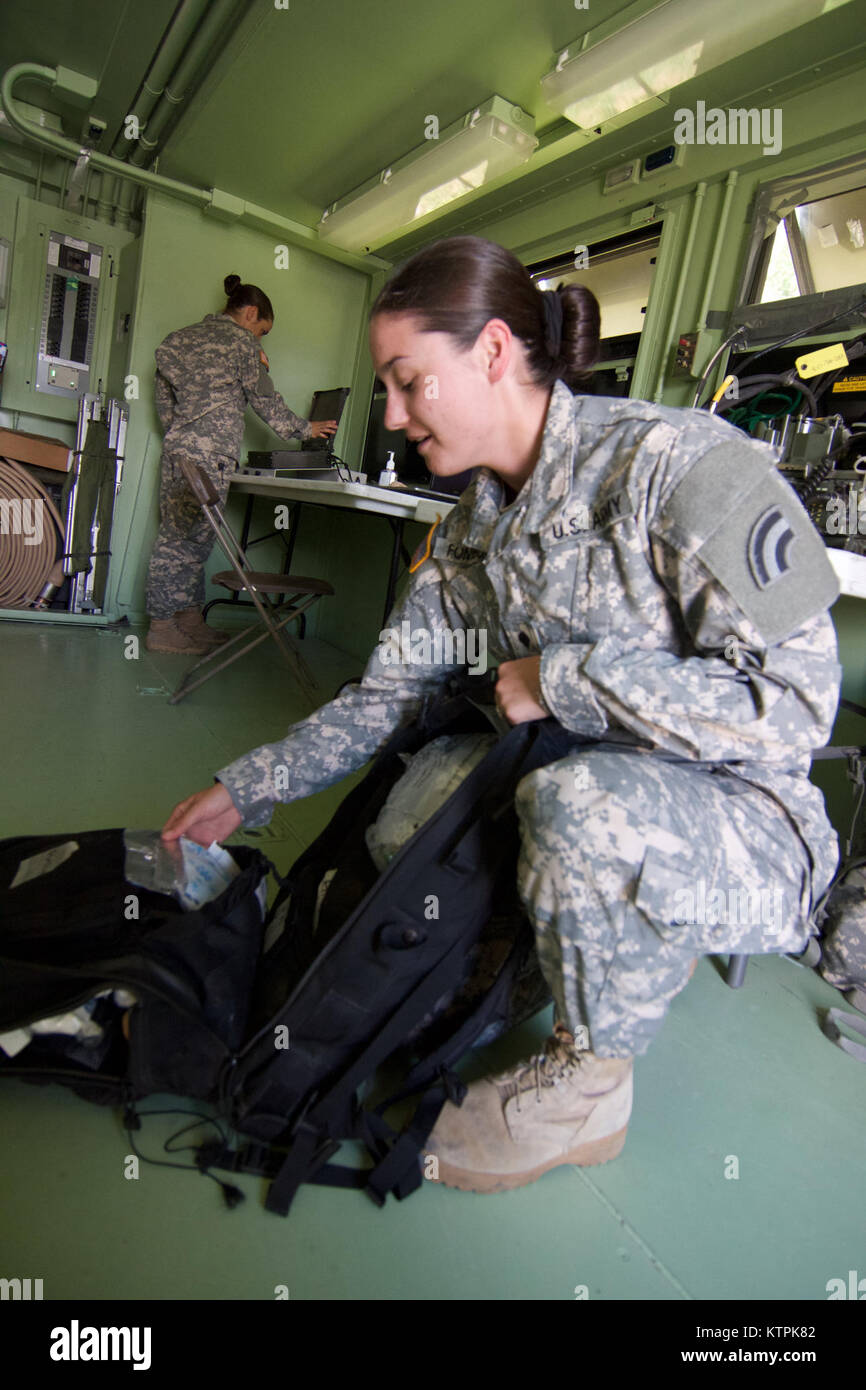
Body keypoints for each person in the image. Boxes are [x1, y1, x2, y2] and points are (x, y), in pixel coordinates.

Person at [161, 236, 841, 1193]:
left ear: (488, 353)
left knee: (579, 809)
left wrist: (561, 680)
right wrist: (243, 791)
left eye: (407, 382)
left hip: (752, 820)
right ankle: (599, 941)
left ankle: (591, 1089)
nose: (393, 416)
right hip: (599, 784)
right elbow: (384, 697)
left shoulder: (677, 466)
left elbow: (795, 708)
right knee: (412, 816)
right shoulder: (470, 530)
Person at [145, 274, 338, 654]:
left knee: (187, 537)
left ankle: (188, 621)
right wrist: (305, 428)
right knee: (183, 542)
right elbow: (265, 400)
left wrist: (182, 436)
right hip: (212, 454)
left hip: (179, 449)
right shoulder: (242, 344)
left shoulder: (178, 340)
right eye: (262, 331)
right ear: (250, 314)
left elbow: (163, 402)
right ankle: (162, 628)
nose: (260, 339)